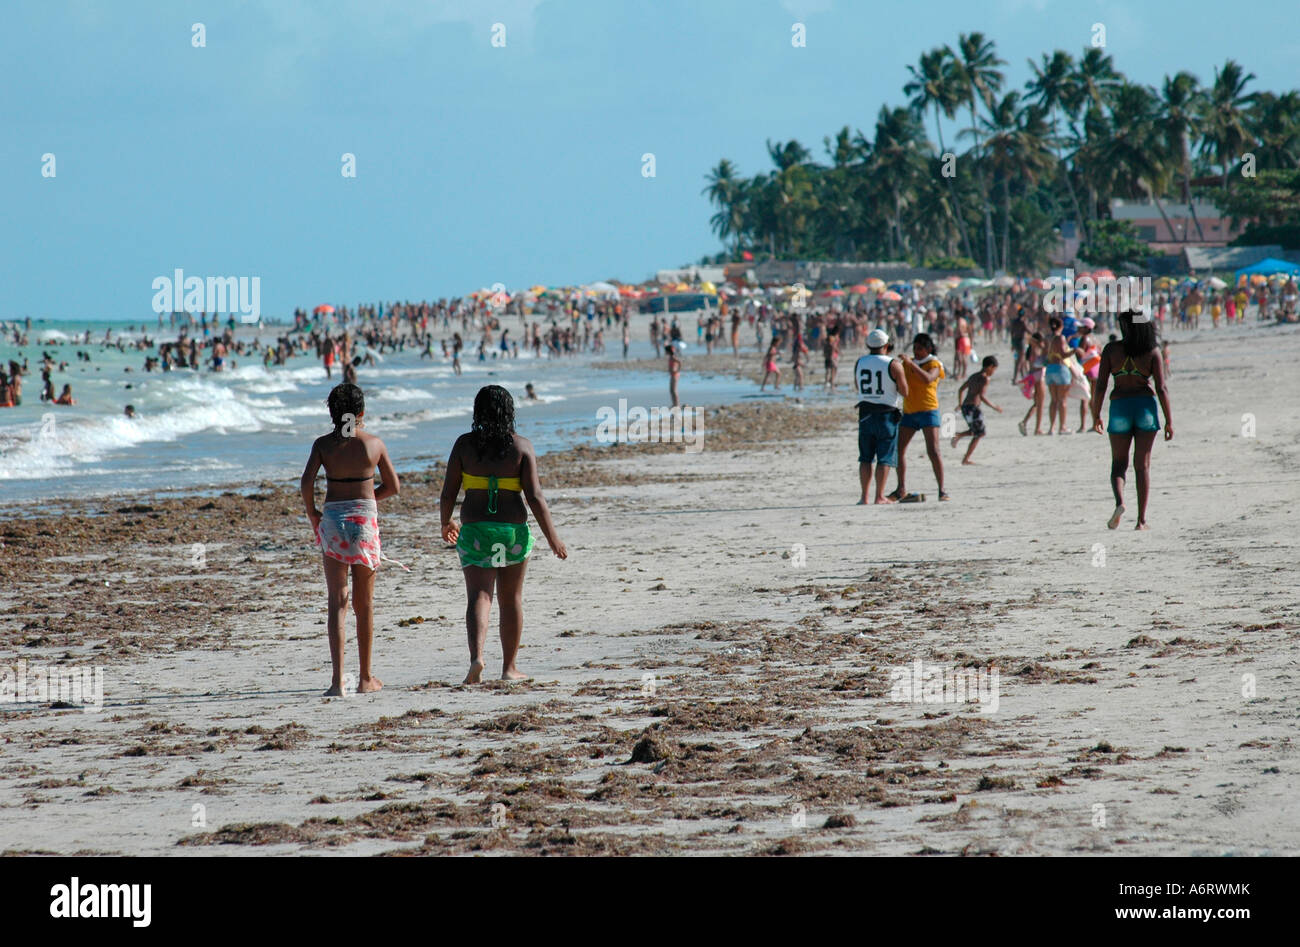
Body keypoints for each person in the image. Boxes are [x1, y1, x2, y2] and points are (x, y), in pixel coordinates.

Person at [439, 385, 567, 684]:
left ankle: (477, 658)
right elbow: (535, 497)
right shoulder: (521, 447)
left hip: (474, 532)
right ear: (510, 412)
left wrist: (445, 522)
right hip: (512, 534)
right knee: (511, 599)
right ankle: (509, 668)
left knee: (479, 596)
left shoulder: (464, 446)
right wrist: (553, 539)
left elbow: (448, 493)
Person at [299, 383, 401, 696]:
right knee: (364, 604)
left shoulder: (323, 445)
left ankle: (336, 682)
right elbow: (393, 486)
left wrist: (313, 513)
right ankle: (366, 678)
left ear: (331, 413)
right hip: (364, 524)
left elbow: (306, 483)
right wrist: (368, 500)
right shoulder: (373, 444)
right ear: (361, 413)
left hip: (332, 522)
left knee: (337, 601)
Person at [1090, 311, 1173, 530]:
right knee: (1142, 466)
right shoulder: (1152, 352)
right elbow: (1161, 388)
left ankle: (1120, 503)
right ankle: (1141, 520)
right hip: (1145, 408)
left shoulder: (1111, 350)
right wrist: (1168, 421)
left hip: (1120, 408)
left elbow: (1100, 385)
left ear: (1125, 327)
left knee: (1119, 464)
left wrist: (1095, 413)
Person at [854, 328, 909, 504]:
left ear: (868, 345)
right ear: (886, 345)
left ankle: (864, 497)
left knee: (865, 457)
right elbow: (904, 391)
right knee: (884, 457)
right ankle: (879, 495)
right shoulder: (893, 364)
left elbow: (858, 387)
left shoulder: (860, 362)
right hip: (886, 414)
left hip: (865, 414)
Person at [892, 333, 948, 502]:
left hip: (928, 410)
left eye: (920, 349)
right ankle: (900, 488)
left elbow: (927, 379)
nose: (916, 352)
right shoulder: (908, 364)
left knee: (933, 450)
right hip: (909, 411)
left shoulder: (934, 363)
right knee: (898, 450)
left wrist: (911, 364)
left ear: (928, 349)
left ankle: (942, 489)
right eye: (915, 348)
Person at [951, 356, 1002, 464]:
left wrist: (960, 404)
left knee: (976, 431)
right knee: (980, 433)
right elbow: (982, 396)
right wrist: (995, 407)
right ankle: (965, 459)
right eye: (994, 369)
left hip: (965, 407)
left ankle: (959, 435)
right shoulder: (985, 378)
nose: (993, 372)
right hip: (973, 408)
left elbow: (961, 390)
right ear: (990, 367)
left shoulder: (973, 376)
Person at [666, 343, 681, 408]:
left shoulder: (673, 357)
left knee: (674, 390)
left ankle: (677, 404)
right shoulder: (670, 357)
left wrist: (678, 370)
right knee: (671, 390)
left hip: (675, 375)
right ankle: (674, 404)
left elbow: (679, 362)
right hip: (672, 375)